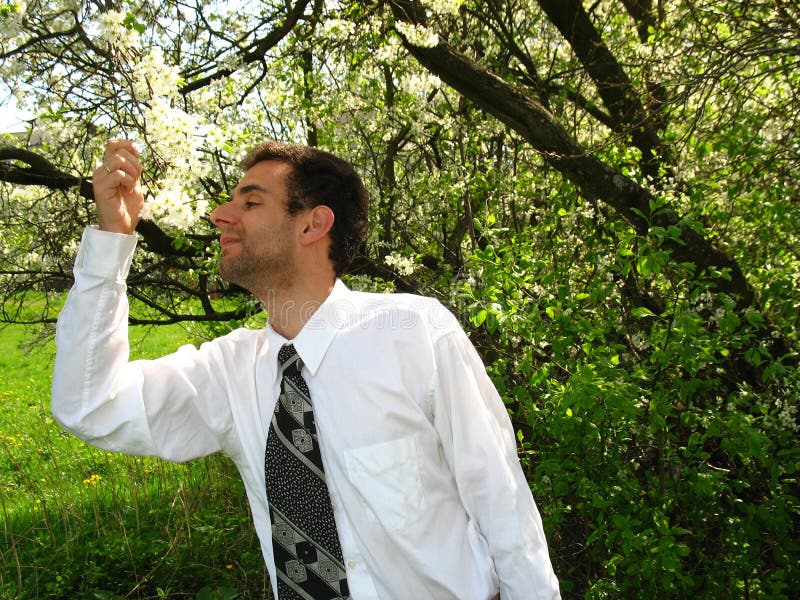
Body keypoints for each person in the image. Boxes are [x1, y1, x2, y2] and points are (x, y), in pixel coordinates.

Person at [51, 139, 561, 600]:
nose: (220, 215)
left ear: (313, 224)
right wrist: (111, 240)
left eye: (250, 202)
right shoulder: (229, 372)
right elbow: (90, 405)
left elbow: (502, 504)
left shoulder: (414, 332)